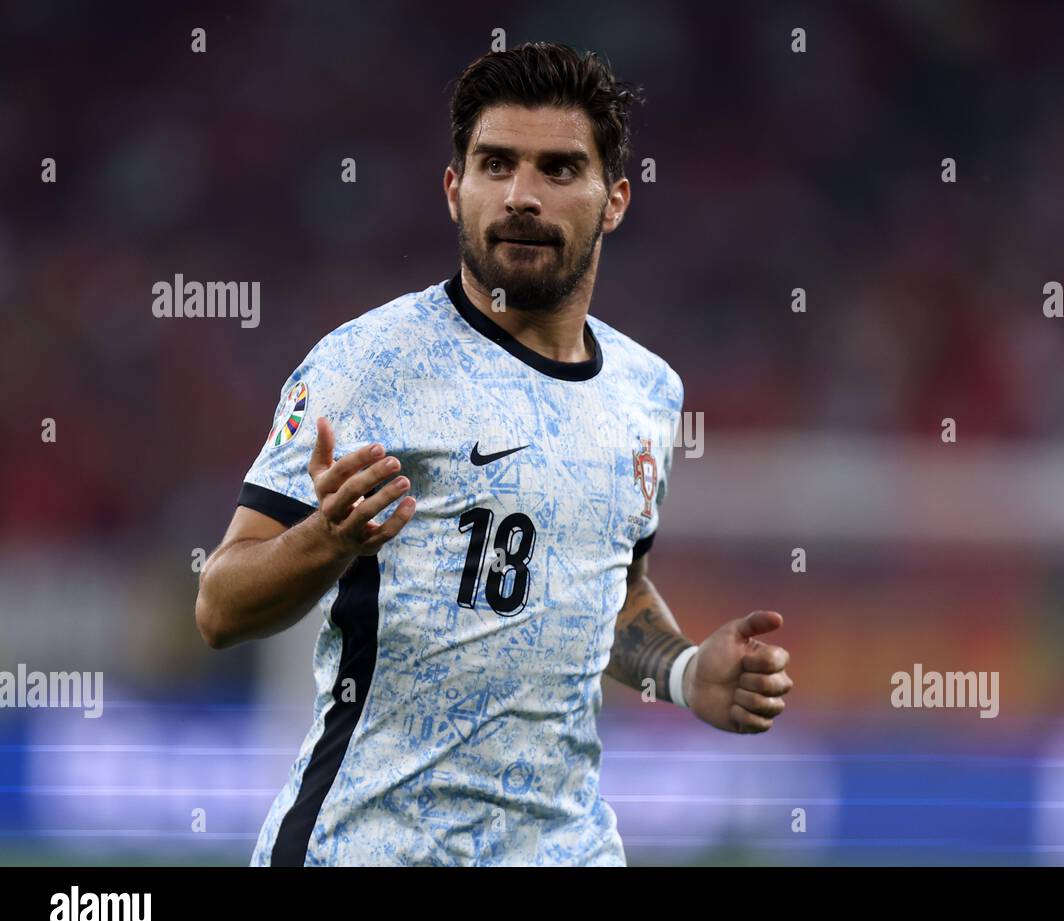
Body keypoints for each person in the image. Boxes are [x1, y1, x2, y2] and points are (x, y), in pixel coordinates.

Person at [195, 41, 793, 866]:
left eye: (557, 169)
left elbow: (608, 590)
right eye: (495, 164)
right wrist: (326, 541)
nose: (520, 196)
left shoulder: (647, 394)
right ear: (455, 188)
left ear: (613, 200)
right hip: (371, 844)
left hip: (565, 847)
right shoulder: (370, 364)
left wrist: (687, 674)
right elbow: (219, 608)